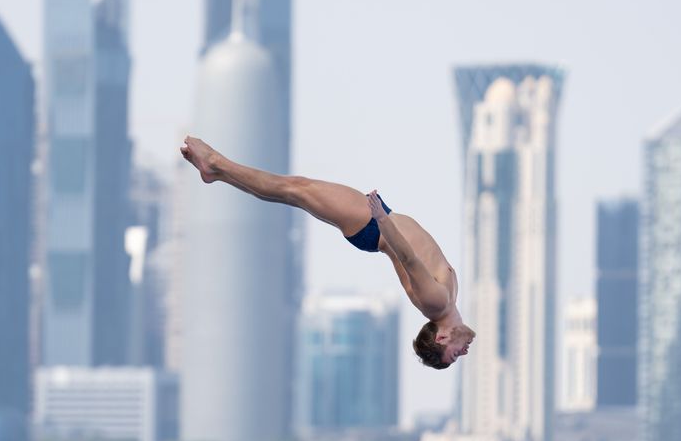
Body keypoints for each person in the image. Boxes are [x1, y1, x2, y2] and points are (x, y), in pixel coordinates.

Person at [180, 135, 475, 369]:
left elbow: (410, 259)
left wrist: (382, 219)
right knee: (293, 190)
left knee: (294, 189)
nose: (462, 352)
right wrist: (383, 218)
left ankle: (216, 165)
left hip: (373, 225)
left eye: (454, 355)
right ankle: (217, 171)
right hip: (377, 222)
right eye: (457, 356)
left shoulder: (436, 304)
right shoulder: (445, 302)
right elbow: (410, 258)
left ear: (442, 337)